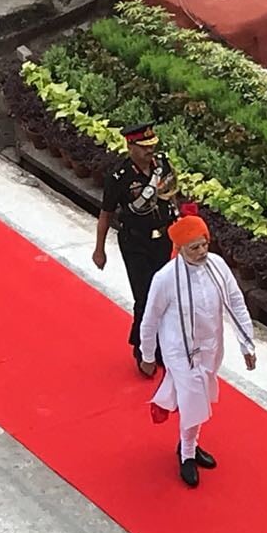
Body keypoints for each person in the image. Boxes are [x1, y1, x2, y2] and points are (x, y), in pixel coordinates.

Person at [138, 208, 257, 488]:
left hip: (210, 345)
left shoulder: (217, 265)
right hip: (179, 351)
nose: (202, 251)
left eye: (204, 244)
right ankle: (187, 454)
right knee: (194, 399)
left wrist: (246, 343)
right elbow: (150, 318)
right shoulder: (166, 278)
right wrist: (146, 355)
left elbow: (236, 302)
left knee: (200, 395)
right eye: (195, 248)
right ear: (180, 249)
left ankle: (187, 441)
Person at [93, 122, 178, 376]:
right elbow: (105, 214)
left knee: (162, 297)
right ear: (130, 146)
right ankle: (143, 350)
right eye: (144, 148)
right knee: (145, 298)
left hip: (162, 239)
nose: (150, 151)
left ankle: (158, 346)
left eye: (152, 146)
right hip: (135, 242)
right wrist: (100, 250)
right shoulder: (119, 177)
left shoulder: (161, 164)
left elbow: (171, 194)